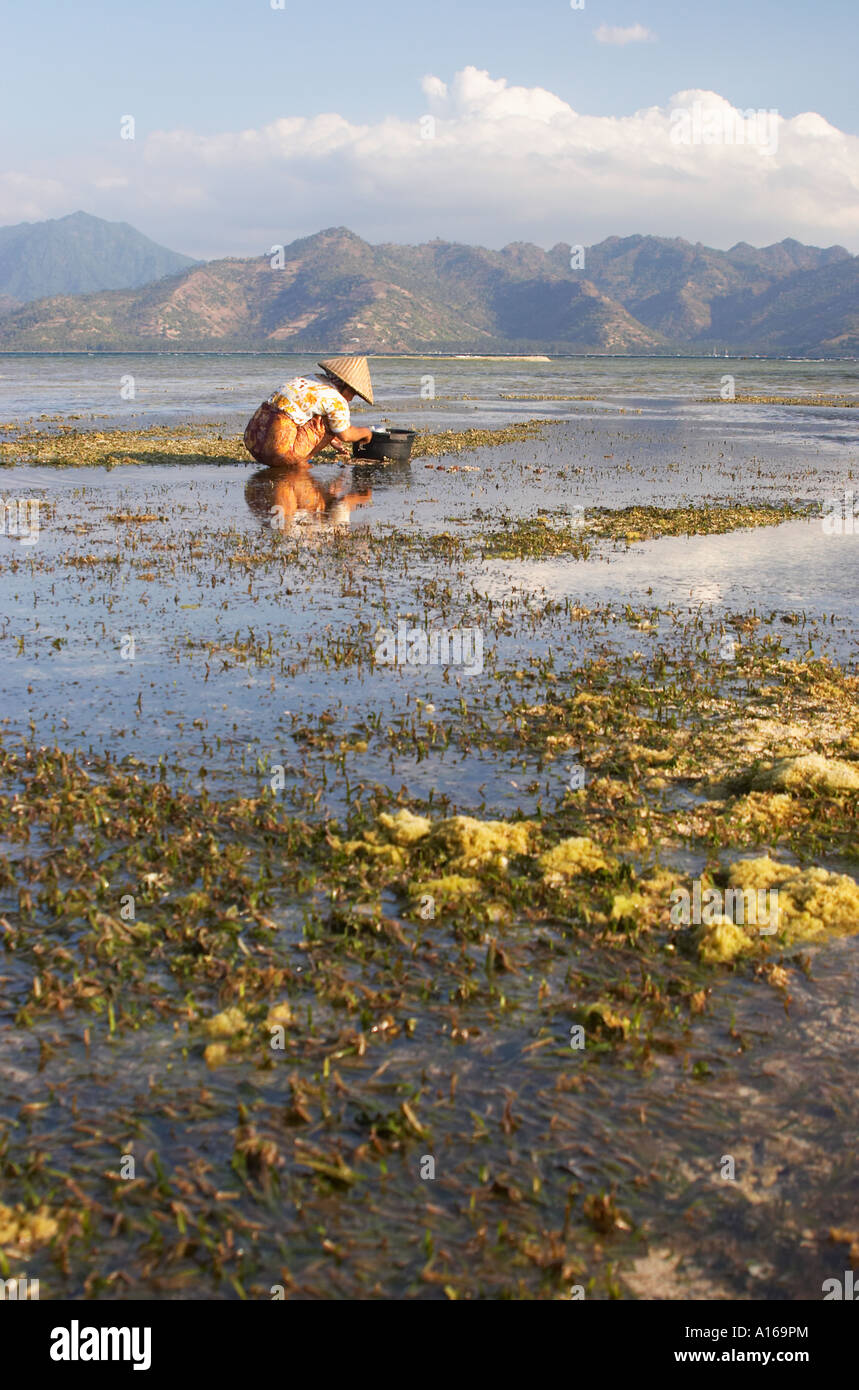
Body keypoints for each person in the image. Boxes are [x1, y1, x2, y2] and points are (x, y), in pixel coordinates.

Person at [243, 356, 375, 467]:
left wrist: (333, 441)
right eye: (353, 393)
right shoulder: (337, 399)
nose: (351, 398)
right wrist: (366, 433)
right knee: (327, 422)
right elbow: (346, 435)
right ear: (345, 386)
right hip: (278, 450)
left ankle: (292, 458)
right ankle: (301, 461)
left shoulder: (313, 379)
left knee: (322, 415)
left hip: (253, 441)